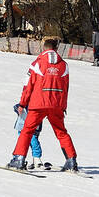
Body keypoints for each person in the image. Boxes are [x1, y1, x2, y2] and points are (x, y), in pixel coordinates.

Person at [9, 38, 78, 172]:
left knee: (27, 130)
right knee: (61, 132)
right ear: (56, 49)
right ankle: (71, 160)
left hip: (38, 104)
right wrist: (63, 106)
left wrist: (22, 103)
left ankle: (18, 159)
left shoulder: (37, 63)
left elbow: (28, 86)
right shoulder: (64, 65)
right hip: (57, 105)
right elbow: (66, 87)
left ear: (44, 48)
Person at [13, 102, 44, 169]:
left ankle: (37, 159)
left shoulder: (39, 103)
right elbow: (16, 107)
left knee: (34, 142)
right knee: (21, 144)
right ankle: (17, 158)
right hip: (22, 127)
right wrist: (18, 108)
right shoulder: (25, 103)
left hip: (33, 128)